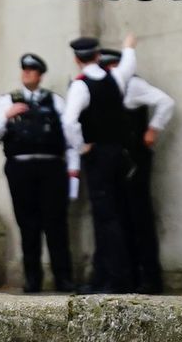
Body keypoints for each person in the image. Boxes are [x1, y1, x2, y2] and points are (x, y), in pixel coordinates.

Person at [0, 53, 72, 294]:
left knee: (56, 224)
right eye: (25, 70)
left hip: (51, 167)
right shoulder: (7, 100)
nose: (27, 73)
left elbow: (70, 135)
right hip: (20, 167)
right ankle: (33, 279)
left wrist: (73, 171)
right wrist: (6, 115)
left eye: (32, 71)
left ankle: (64, 278)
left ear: (40, 75)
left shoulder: (55, 101)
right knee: (27, 223)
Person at [61, 34, 137, 294]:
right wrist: (128, 47)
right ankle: (109, 276)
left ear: (76, 59)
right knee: (118, 212)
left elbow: (69, 122)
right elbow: (128, 65)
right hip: (119, 153)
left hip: (98, 156)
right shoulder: (114, 77)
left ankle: (112, 279)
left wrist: (81, 147)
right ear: (97, 55)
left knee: (105, 217)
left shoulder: (80, 85)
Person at [96, 47, 175, 294]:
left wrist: (153, 129)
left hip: (134, 160)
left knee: (139, 218)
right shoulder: (107, 90)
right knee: (120, 218)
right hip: (117, 162)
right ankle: (127, 276)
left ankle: (149, 278)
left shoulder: (133, 85)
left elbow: (165, 102)